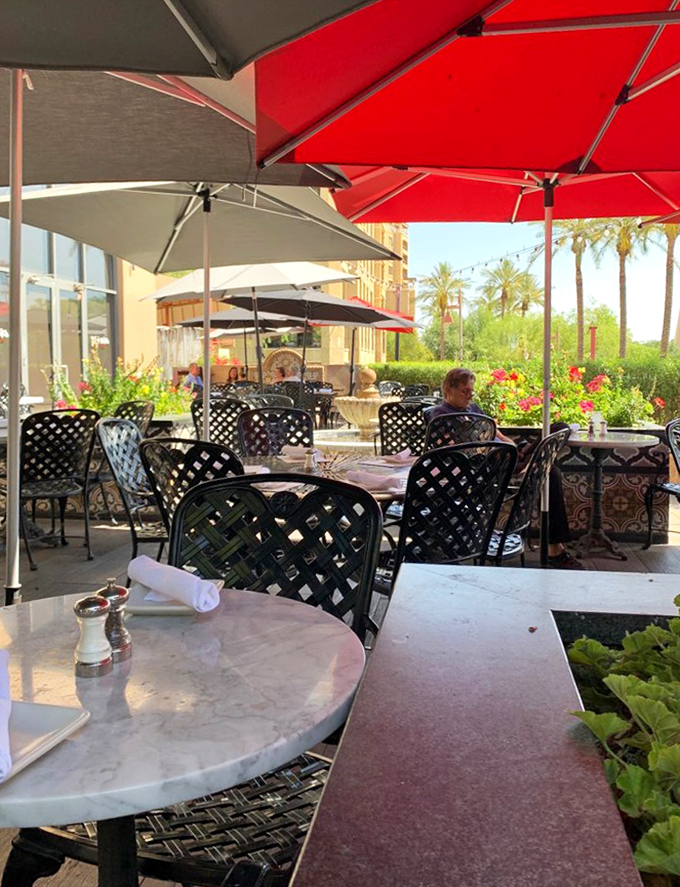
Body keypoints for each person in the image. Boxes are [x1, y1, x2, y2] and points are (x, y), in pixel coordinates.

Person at [428, 367, 583, 570]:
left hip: (504, 454)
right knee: (551, 472)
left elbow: (496, 432)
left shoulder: (474, 409)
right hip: (484, 467)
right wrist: (496, 450)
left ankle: (529, 461)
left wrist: (511, 446)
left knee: (560, 427)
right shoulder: (440, 415)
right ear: (449, 388)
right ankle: (556, 549)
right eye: (465, 391)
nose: (470, 395)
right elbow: (452, 449)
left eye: (471, 391)